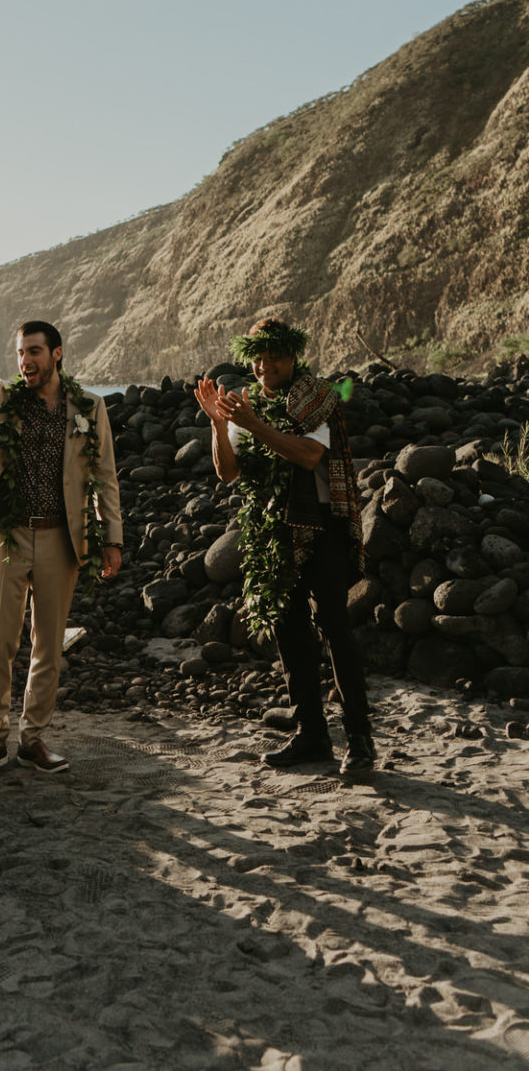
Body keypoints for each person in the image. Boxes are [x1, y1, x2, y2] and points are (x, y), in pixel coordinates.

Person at [0, 294, 123, 776]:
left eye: (34, 352)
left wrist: (112, 540)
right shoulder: (5, 398)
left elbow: (105, 474)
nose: (25, 361)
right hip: (7, 537)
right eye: (20, 353)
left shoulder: (88, 406)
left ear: (56, 353)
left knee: (49, 643)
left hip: (62, 539)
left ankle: (34, 738)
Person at [194, 317, 374, 777]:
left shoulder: (318, 396)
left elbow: (309, 455)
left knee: (334, 626)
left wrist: (252, 424)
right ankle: (311, 735)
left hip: (320, 525)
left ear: (292, 356)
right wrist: (219, 425)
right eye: (256, 355)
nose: (263, 364)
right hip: (273, 530)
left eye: (273, 354)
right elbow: (229, 473)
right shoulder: (248, 403)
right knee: (289, 632)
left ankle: (359, 740)